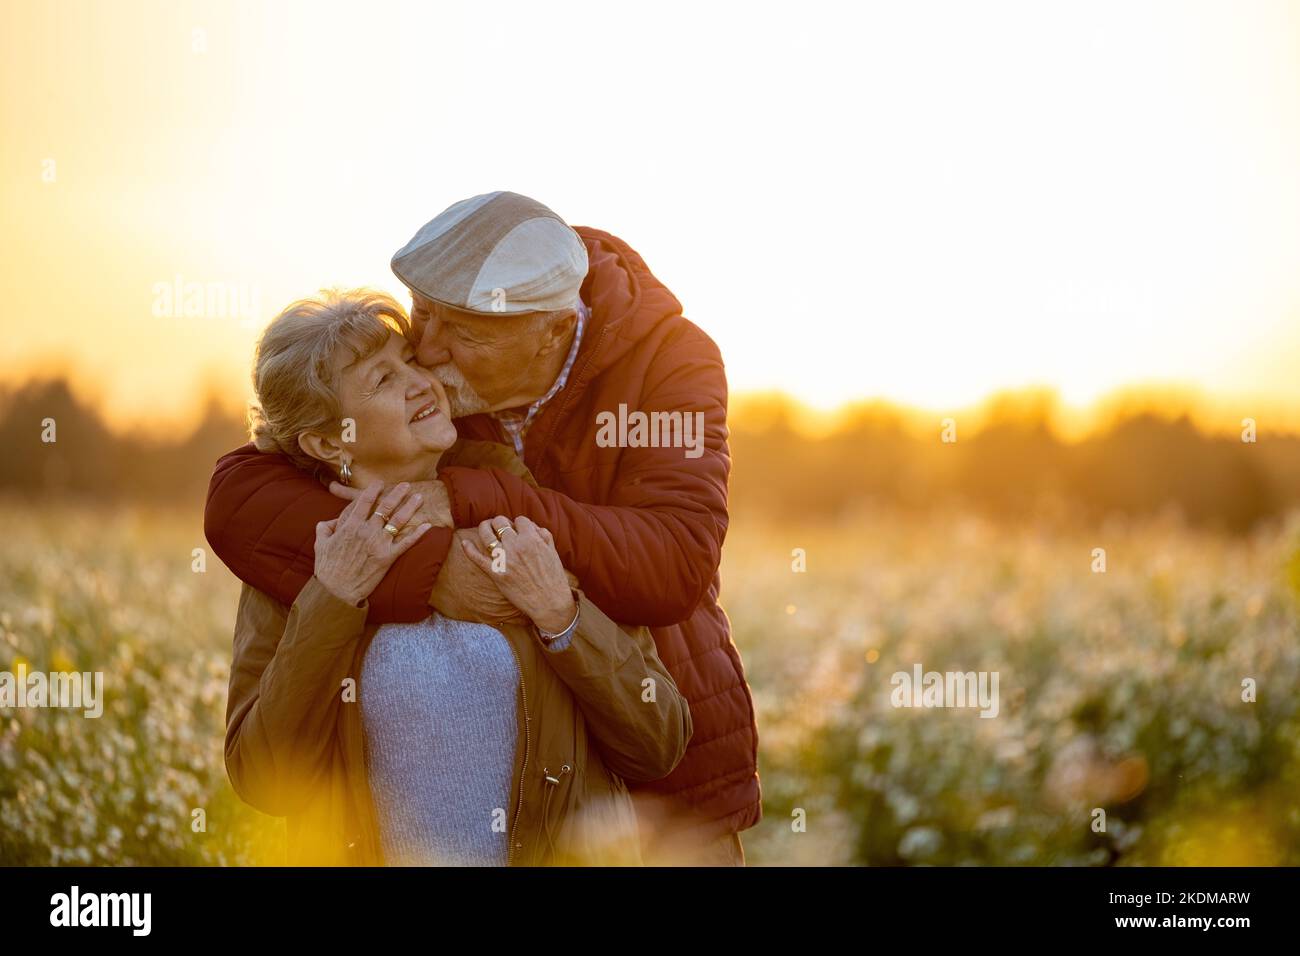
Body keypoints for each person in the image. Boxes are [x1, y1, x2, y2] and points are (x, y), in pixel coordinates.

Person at [206, 192, 758, 865]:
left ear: (552, 329)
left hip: (677, 783)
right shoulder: (420, 400)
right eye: (423, 315)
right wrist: (431, 567)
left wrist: (480, 502)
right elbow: (237, 497)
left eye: (460, 332)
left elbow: (673, 564)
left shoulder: (670, 363)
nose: (427, 352)